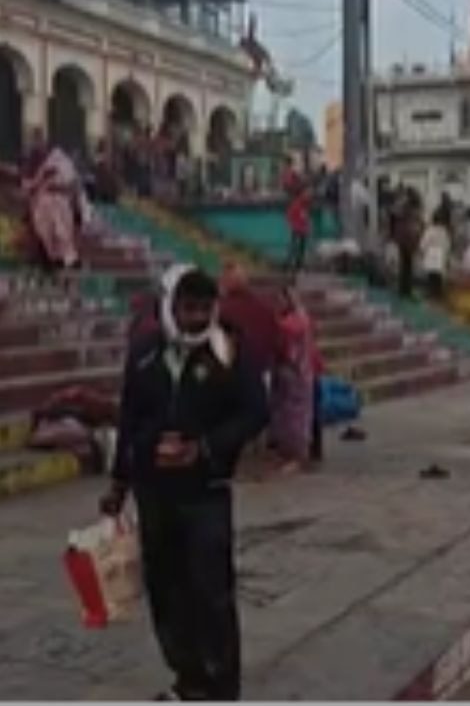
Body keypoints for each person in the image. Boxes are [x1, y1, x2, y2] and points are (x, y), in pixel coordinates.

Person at [101, 266, 267, 701]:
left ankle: (221, 687)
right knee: (166, 590)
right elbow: (129, 416)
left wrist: (205, 448)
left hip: (205, 494)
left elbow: (255, 412)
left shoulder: (227, 352)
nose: (195, 319)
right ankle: (187, 678)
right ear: (170, 306)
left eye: (203, 309)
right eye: (187, 308)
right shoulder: (143, 353)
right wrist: (120, 481)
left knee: (211, 592)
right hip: (154, 493)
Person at [268, 285, 316, 475]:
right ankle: (286, 454)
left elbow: (284, 335)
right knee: (283, 416)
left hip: (296, 374)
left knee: (294, 418)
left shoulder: (295, 321)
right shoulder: (291, 319)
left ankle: (297, 457)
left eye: (281, 300)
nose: (278, 304)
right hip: (287, 373)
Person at [24, 146, 85, 271]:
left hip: (58, 203)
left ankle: (67, 259)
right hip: (45, 203)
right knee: (46, 232)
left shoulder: (61, 164)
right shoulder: (42, 168)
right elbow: (32, 186)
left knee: (61, 231)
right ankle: (52, 259)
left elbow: (72, 185)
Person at [420, 215, 451, 300]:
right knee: (438, 275)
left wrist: (422, 252)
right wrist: (447, 256)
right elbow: (447, 245)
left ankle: (431, 293)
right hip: (440, 254)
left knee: (431, 275)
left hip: (431, 253)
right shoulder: (444, 231)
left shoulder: (430, 231)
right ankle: (438, 294)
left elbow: (423, 243)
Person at [285, 181, 312, 274]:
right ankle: (291, 266)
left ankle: (298, 266)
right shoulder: (297, 204)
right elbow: (290, 216)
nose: (309, 194)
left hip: (302, 230)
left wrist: (306, 226)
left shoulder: (304, 204)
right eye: (307, 192)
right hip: (298, 230)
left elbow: (305, 217)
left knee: (300, 249)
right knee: (296, 249)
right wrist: (295, 226)